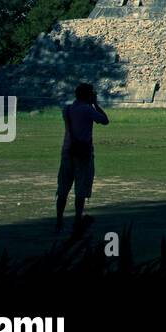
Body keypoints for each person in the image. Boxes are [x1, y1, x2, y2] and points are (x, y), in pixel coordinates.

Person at [55, 82, 109, 234]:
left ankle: (59, 220)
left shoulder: (67, 109)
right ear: (89, 95)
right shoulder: (87, 109)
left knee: (63, 188)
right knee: (81, 189)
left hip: (67, 151)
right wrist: (95, 104)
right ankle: (77, 219)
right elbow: (105, 120)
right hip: (83, 153)